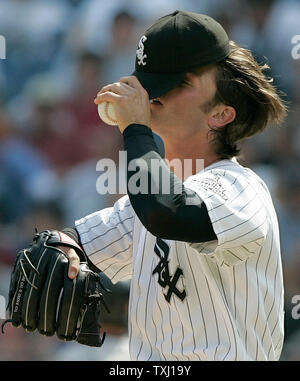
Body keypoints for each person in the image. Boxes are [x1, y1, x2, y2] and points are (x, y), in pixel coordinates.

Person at [59, 10, 286, 360]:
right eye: (153, 80)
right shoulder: (148, 200)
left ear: (221, 114)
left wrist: (135, 130)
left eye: (179, 82)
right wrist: (60, 248)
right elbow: (81, 242)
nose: (154, 94)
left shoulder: (242, 188)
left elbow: (167, 212)